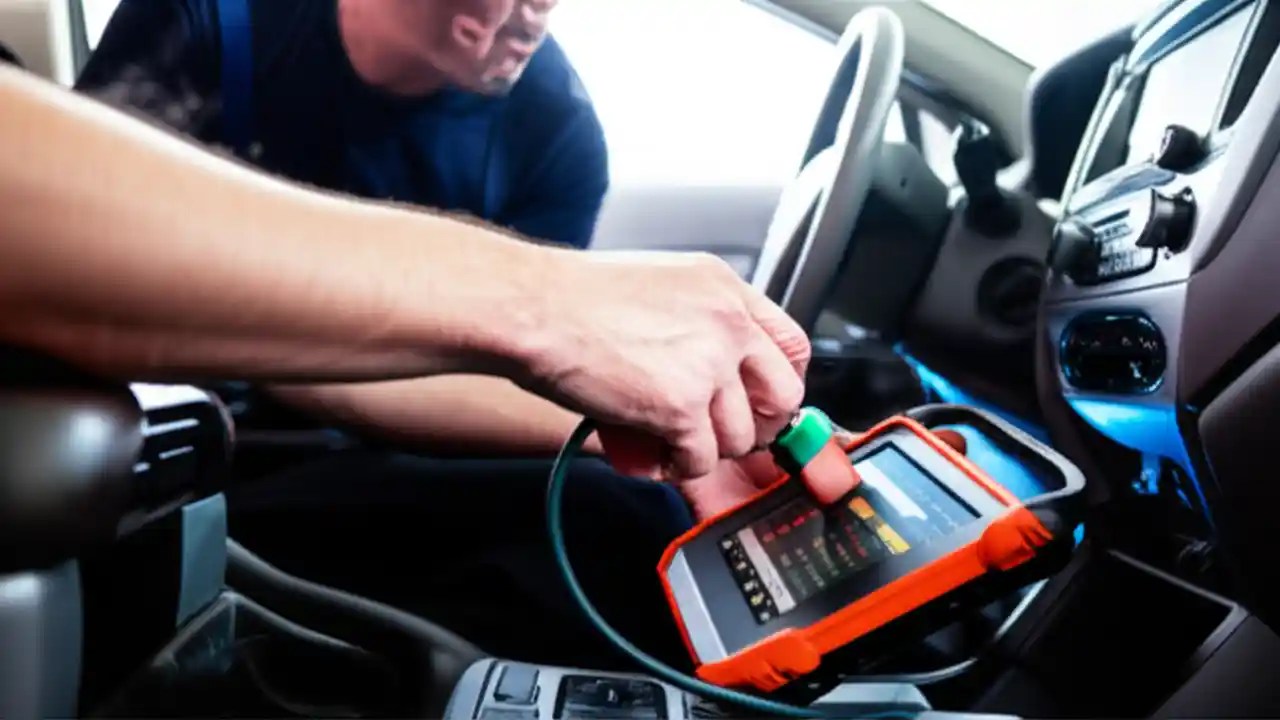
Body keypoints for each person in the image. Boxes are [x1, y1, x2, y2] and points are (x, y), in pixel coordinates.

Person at [0, 64, 849, 667]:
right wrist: (552, 301)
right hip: (183, 455)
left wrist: (648, 419)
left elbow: (290, 348)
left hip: (204, 426)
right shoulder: (219, 27)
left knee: (623, 505)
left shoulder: (555, 125)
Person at [76, 0, 605, 250]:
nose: (538, 11)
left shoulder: (557, 138)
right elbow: (78, 238)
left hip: (423, 444)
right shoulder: (203, 21)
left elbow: (518, 370)